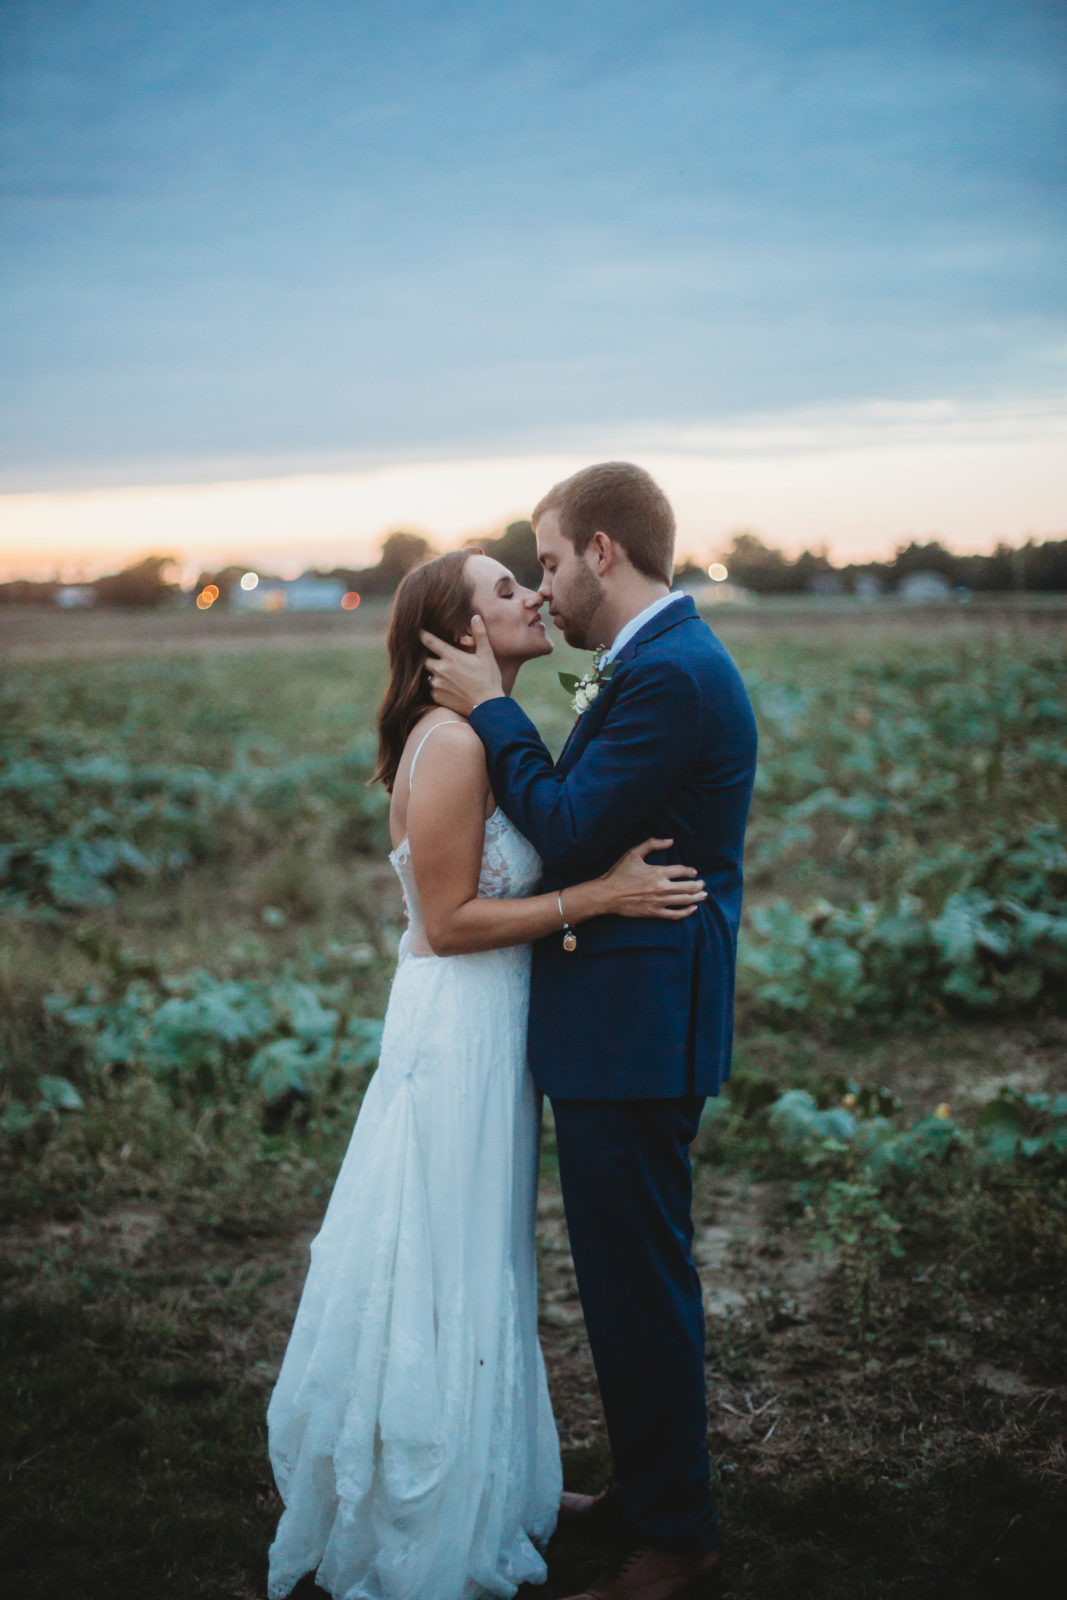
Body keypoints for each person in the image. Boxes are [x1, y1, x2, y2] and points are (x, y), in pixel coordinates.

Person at [266, 546, 709, 1600]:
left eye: (530, 576)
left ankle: (495, 1471)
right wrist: (595, 900)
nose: (533, 596)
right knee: (445, 1249)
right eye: (506, 589)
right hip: (456, 1026)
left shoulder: (481, 736)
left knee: (483, 1251)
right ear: (462, 634)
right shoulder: (454, 744)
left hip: (491, 1025)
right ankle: (430, 1489)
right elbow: (449, 921)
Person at [422, 463, 759, 1600]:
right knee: (622, 1276)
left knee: (638, 1280)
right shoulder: (656, 664)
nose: (546, 584)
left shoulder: (669, 675)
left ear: (602, 552)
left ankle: (674, 1536)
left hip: (638, 1024)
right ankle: (644, 1491)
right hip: (624, 1018)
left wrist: (492, 710)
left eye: (552, 559)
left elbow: (565, 829)